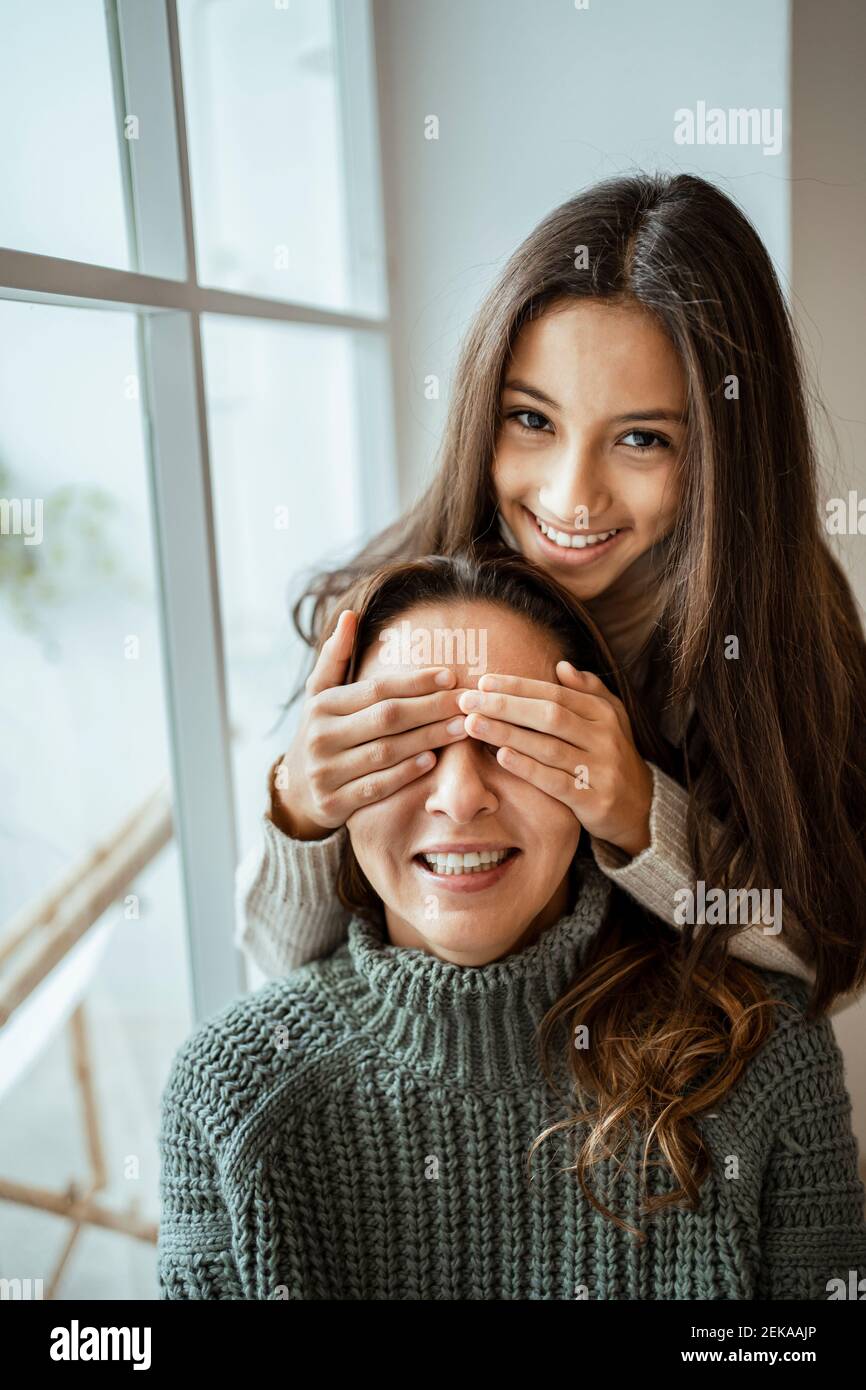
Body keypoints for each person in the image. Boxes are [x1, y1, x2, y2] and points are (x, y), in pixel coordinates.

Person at [235, 172, 866, 1018]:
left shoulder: (789, 625)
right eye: (532, 419)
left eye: (642, 439)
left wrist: (643, 814)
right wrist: (300, 809)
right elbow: (287, 967)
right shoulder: (399, 619)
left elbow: (834, 948)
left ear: (726, 451)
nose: (572, 499)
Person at [158, 553, 866, 1300]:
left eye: (518, 742)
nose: (461, 798)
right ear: (331, 778)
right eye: (402, 744)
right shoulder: (228, 1091)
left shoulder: (763, 1052)